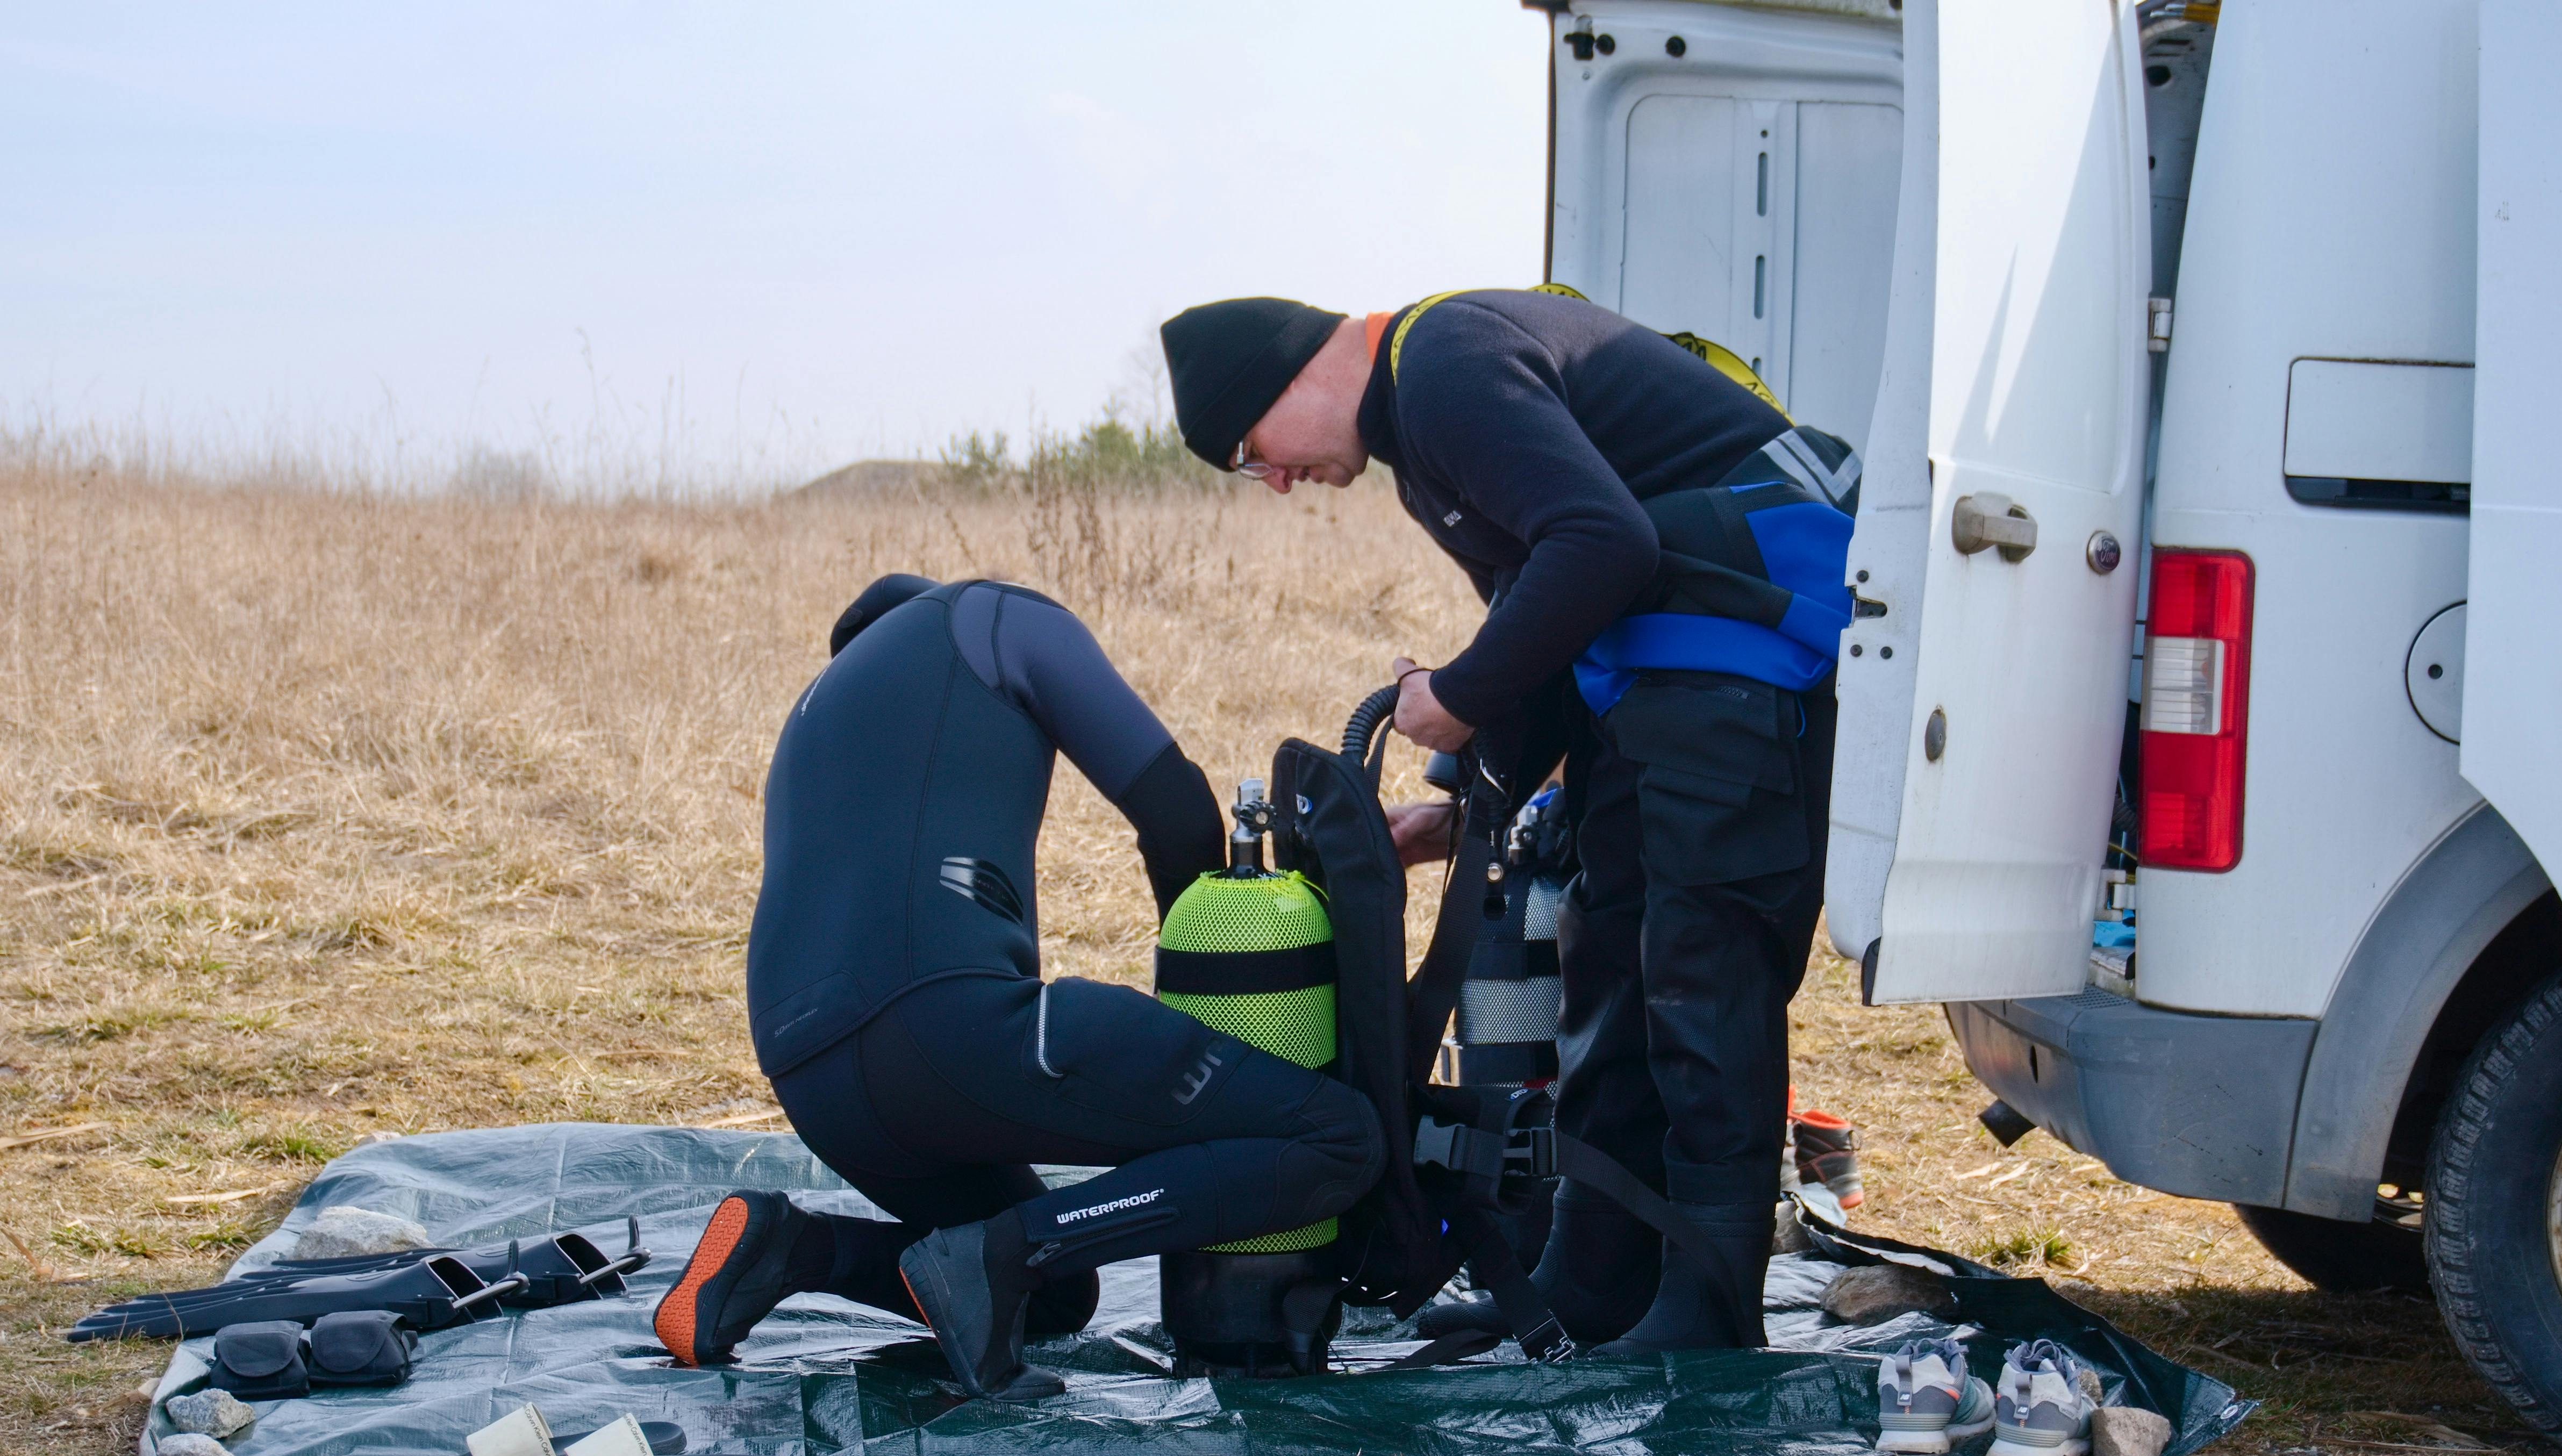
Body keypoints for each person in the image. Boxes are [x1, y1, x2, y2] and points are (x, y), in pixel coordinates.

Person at [1157, 290, 1855, 1353]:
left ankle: (1710, 1310)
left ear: (1288, 375)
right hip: (1661, 676)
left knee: (1700, 975)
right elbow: (1555, 617)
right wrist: (1463, 806)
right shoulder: (1419, 441)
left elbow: (1604, 541)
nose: (1279, 481)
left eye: (1254, 453)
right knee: (1608, 960)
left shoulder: (1442, 362)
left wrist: (1459, 693)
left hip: (1745, 650)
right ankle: (1593, 1276)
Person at [655, 575, 1385, 1398]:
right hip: (942, 1029)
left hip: (812, 1079)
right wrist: (1209, 1015)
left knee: (1058, 1289)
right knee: (1338, 1137)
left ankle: (793, 1247)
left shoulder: (812, 718)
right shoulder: (987, 619)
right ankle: (998, 1258)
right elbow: (1179, 811)